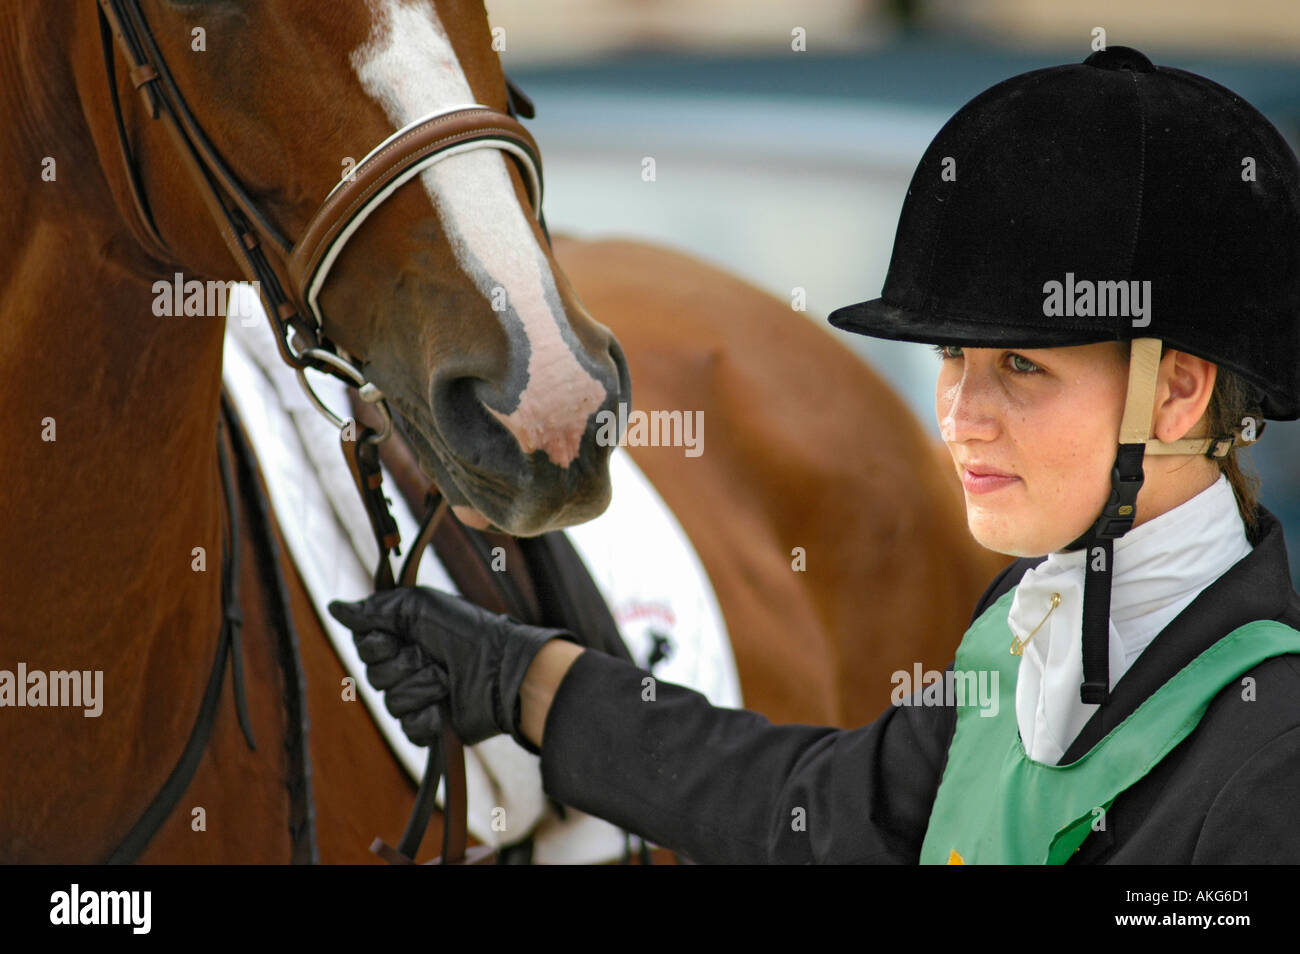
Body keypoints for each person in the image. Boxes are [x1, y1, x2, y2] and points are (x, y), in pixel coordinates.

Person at [328, 46, 1300, 864]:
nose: (958, 415)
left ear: (1175, 392)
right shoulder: (1023, 635)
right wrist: (528, 683)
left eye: (1019, 366)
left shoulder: (1273, 755)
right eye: (953, 359)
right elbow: (820, 810)